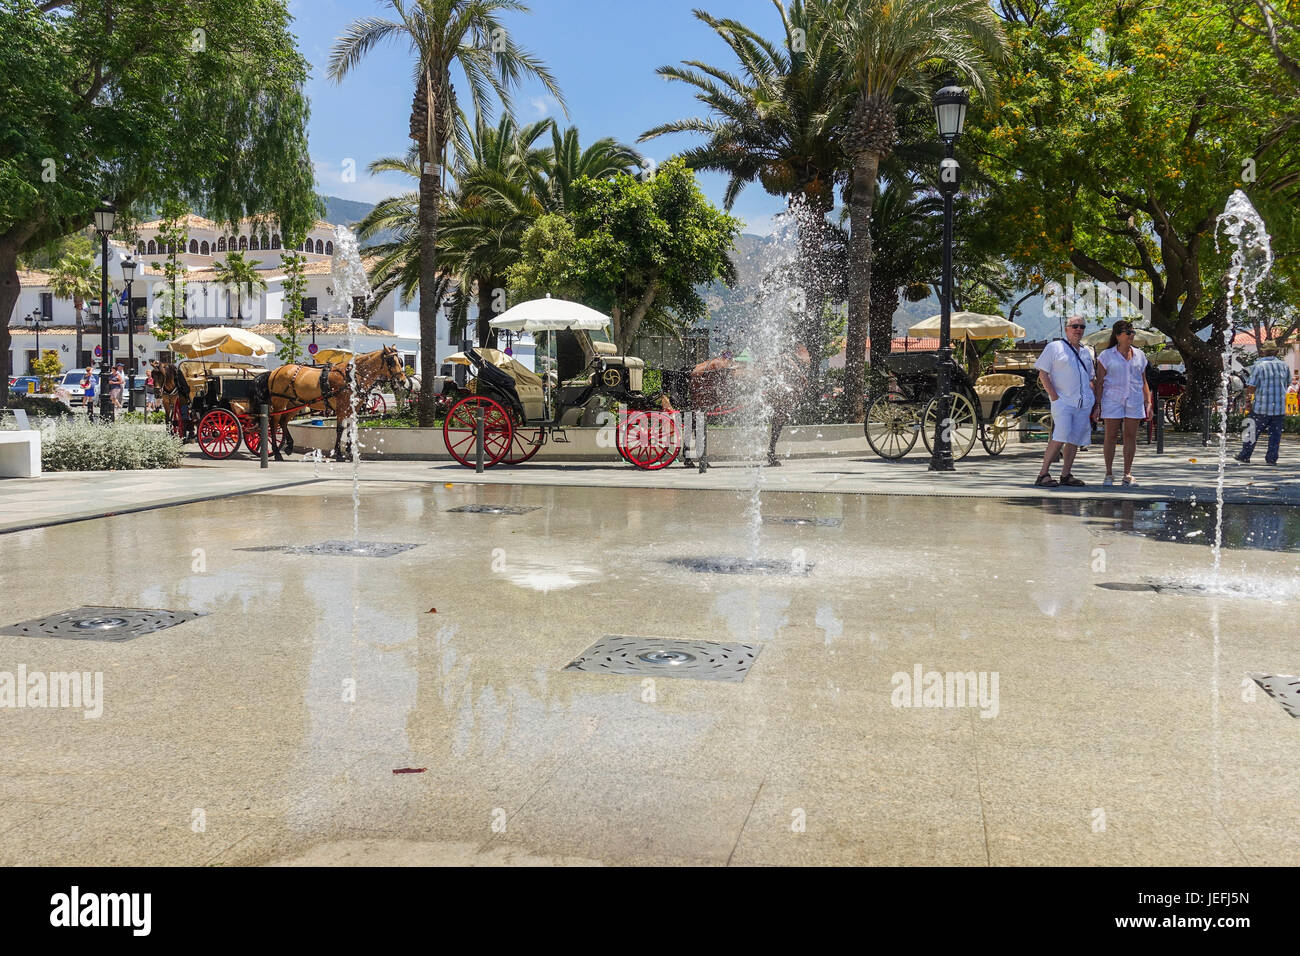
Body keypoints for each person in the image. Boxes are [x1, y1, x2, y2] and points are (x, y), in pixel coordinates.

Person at [1033, 316, 1096, 487]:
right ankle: (1043, 473)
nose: (1078, 329)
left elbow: (1090, 378)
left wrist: (1094, 402)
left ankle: (1066, 474)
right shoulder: (1054, 347)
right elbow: (1043, 373)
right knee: (1060, 435)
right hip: (1063, 401)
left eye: (1082, 326)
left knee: (1074, 438)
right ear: (1067, 328)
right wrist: (1054, 397)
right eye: (1075, 326)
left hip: (1082, 402)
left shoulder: (1086, 351)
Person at [1092, 319, 1153, 486]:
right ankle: (1109, 473)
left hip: (1134, 398)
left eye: (1133, 332)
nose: (1132, 335)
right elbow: (1100, 382)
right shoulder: (1106, 356)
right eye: (1128, 333)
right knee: (1110, 436)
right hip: (1112, 398)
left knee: (1130, 436)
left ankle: (1127, 473)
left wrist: (1148, 402)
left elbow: (1143, 380)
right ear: (1118, 336)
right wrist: (1097, 405)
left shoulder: (1139, 355)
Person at [1234, 342, 1290, 465]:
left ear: (1263, 352)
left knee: (1252, 432)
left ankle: (1245, 455)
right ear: (1276, 352)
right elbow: (1288, 383)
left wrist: (1248, 401)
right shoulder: (1284, 366)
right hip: (1279, 408)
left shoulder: (1259, 366)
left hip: (1261, 407)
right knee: (1275, 436)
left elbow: (1251, 386)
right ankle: (1271, 459)